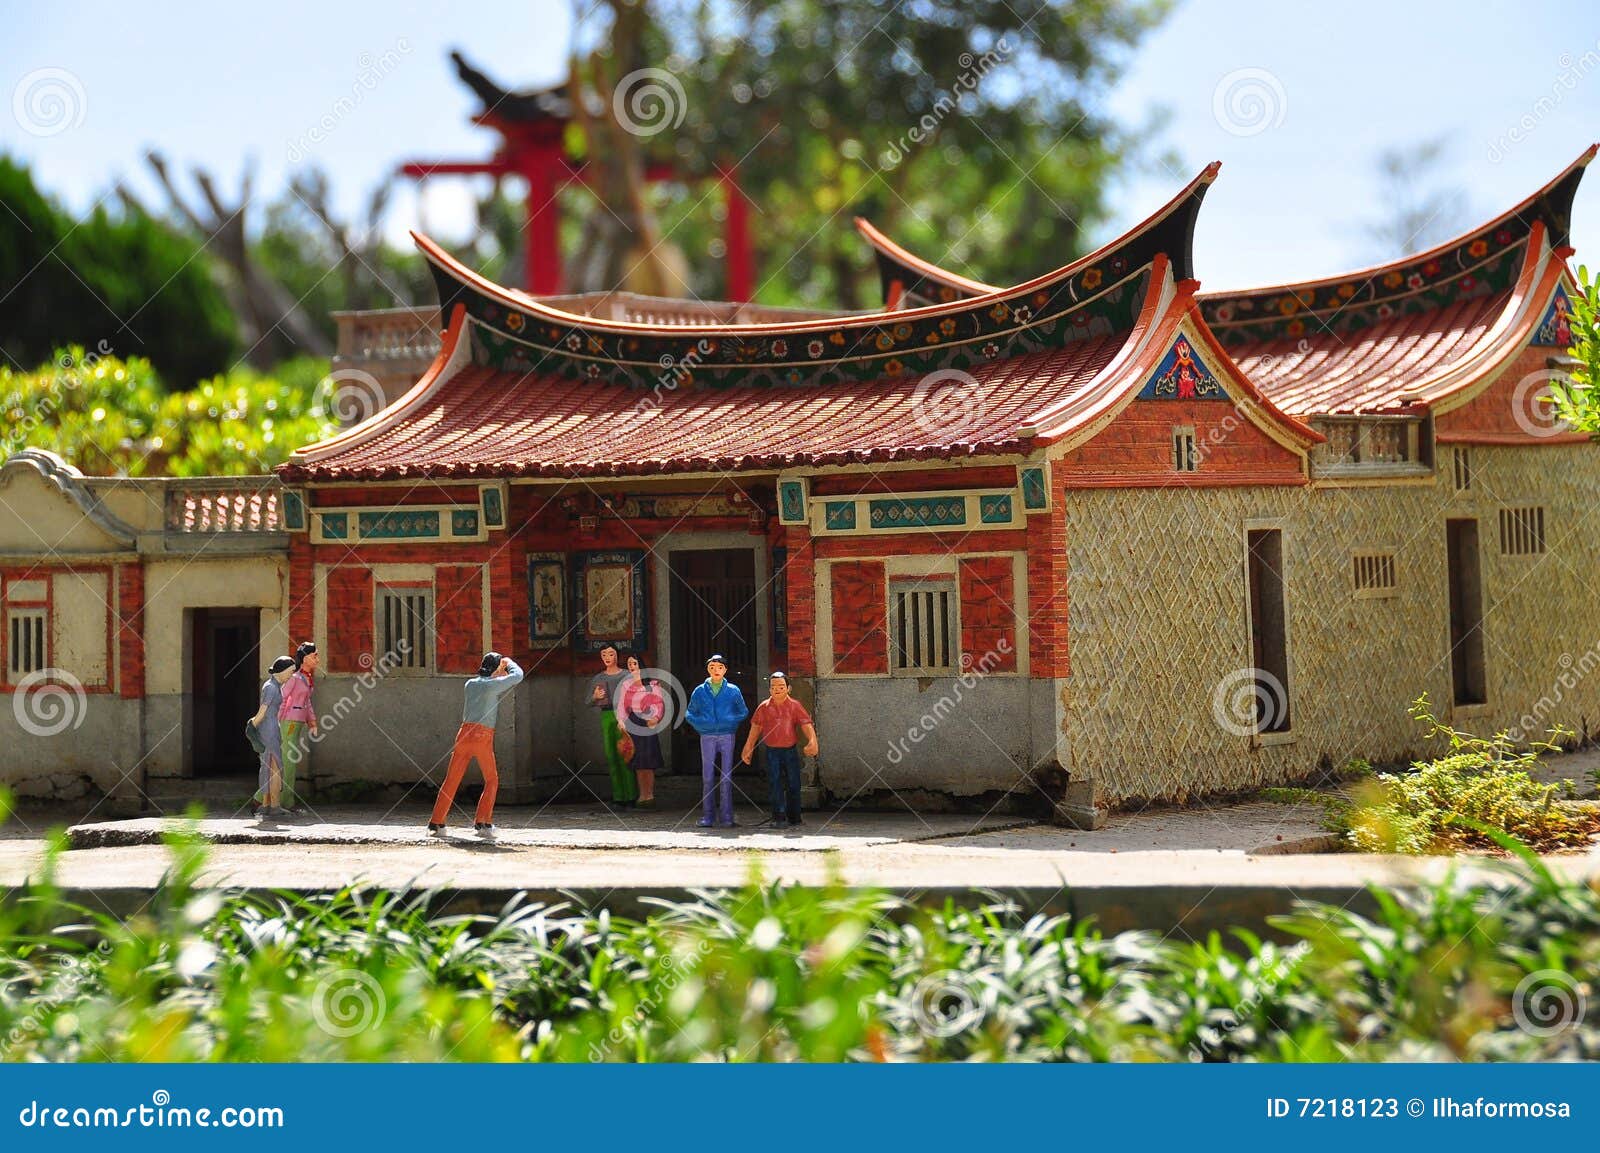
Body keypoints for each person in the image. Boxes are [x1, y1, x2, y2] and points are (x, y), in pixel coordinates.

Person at [429, 651, 525, 838]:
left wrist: (500, 671)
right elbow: (518, 676)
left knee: (452, 779)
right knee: (491, 780)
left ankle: (436, 823)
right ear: (496, 668)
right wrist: (509, 662)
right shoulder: (493, 686)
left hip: (463, 734)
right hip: (482, 736)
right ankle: (483, 823)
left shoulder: (470, 684)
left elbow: (493, 681)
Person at [741, 671, 819, 828]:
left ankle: (795, 816)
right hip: (772, 752)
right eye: (774, 687)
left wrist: (812, 740)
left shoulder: (794, 706)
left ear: (788, 688)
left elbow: (806, 724)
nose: (777, 689)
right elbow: (755, 729)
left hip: (790, 751)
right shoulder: (763, 707)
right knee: (775, 783)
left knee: (794, 783)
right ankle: (778, 816)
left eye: (781, 686)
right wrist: (748, 747)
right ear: (769, 689)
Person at [684, 654, 747, 828]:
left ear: (725, 669)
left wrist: (730, 722)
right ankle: (708, 816)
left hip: (727, 735)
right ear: (708, 669)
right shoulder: (699, 691)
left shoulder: (733, 690)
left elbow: (743, 711)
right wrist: (702, 725)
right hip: (707, 736)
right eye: (712, 667)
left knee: (726, 776)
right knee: (707, 777)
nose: (716, 670)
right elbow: (689, 713)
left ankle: (727, 817)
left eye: (719, 667)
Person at [587, 645, 637, 808]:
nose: (607, 657)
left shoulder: (626, 675)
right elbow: (588, 702)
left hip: (624, 714)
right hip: (606, 714)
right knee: (611, 755)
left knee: (626, 753)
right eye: (604, 654)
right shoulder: (598, 678)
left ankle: (631, 794)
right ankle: (618, 795)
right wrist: (595, 697)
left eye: (611, 653)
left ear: (617, 655)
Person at [249, 656, 297, 819]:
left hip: (270, 727)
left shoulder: (273, 685)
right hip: (268, 729)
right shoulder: (271, 687)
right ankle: (273, 806)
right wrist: (252, 725)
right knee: (274, 767)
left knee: (269, 767)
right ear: (282, 670)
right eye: (290, 672)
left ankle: (267, 804)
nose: (291, 676)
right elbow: (262, 711)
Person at [276, 641, 319, 813]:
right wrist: (276, 721)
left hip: (298, 723)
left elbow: (306, 702)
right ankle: (279, 802)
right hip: (289, 723)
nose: (317, 658)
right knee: (288, 763)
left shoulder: (307, 678)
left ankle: (282, 801)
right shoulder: (294, 678)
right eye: (315, 655)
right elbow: (281, 698)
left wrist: (312, 721)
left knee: (289, 762)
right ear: (305, 658)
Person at [620, 655, 664, 810]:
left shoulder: (652, 684)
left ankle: (650, 794)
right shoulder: (626, 685)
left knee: (648, 761)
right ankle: (642, 795)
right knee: (638, 761)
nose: (632, 666)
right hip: (633, 723)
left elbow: (658, 703)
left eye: (635, 663)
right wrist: (621, 721)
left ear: (641, 665)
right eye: (629, 663)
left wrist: (656, 717)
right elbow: (622, 705)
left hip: (647, 722)